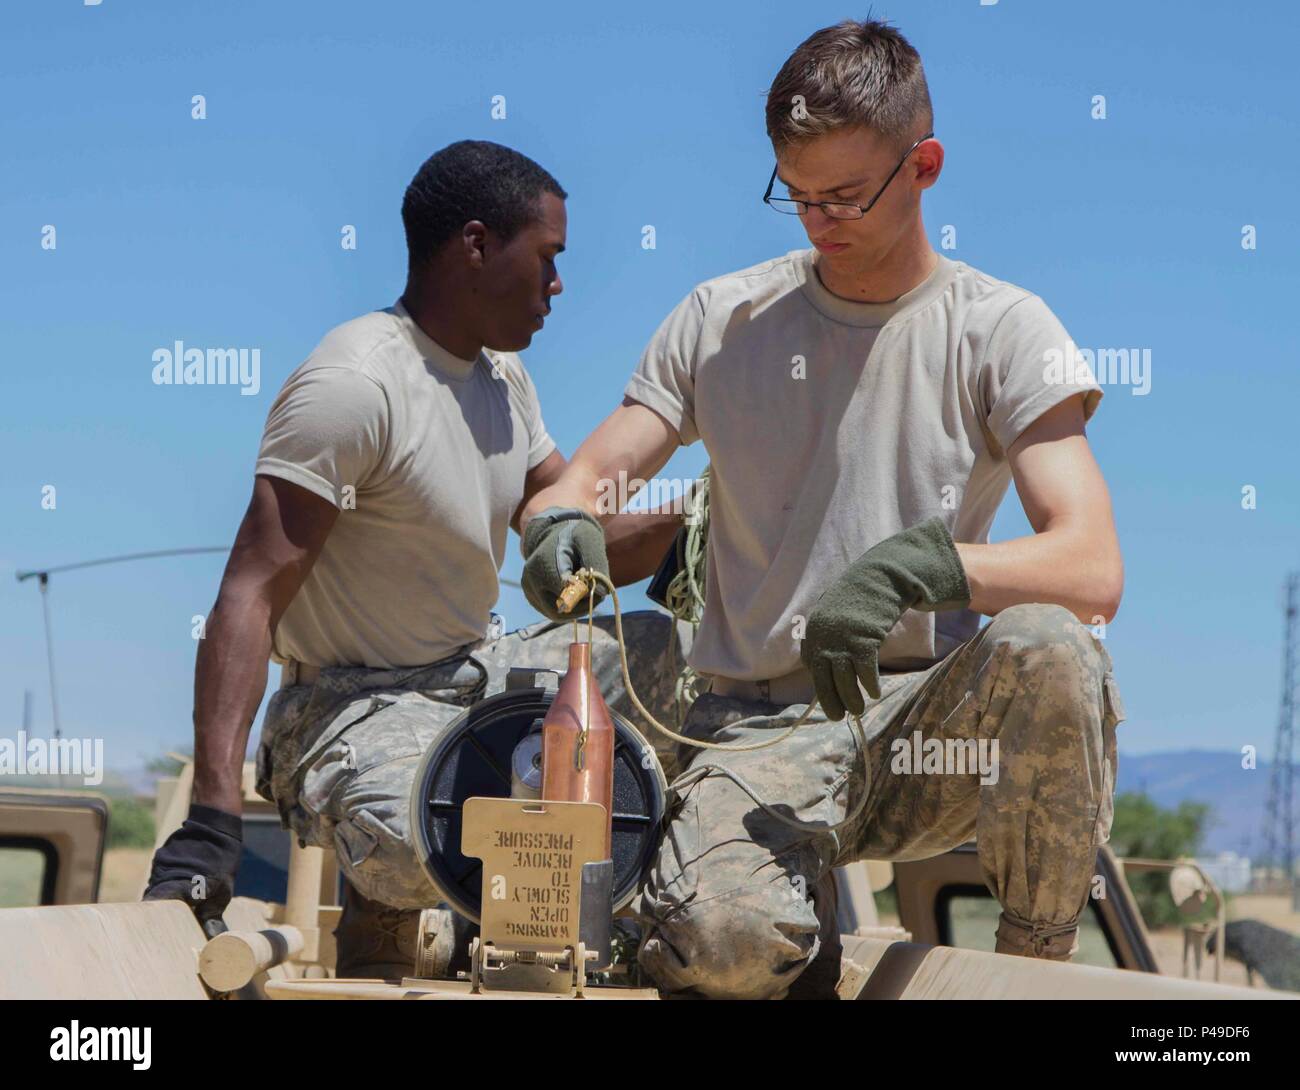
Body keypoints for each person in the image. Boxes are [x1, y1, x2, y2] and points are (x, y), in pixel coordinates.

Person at [519, 19, 1126, 999]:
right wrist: (561, 523)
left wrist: (920, 568)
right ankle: (755, 914)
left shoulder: (999, 328)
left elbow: (1091, 567)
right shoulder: (722, 321)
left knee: (1055, 648)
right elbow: (589, 477)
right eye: (795, 195)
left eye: (844, 195)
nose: (816, 220)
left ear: (922, 165)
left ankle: (1033, 983)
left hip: (918, 724)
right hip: (751, 731)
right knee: (723, 948)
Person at [142, 140, 684, 977]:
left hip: (475, 677)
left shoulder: (505, 382)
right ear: (475, 244)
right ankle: (470, 914)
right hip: (351, 703)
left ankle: (687, 905)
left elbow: (570, 538)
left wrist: (697, 524)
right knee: (419, 841)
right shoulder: (356, 385)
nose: (558, 286)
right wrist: (212, 819)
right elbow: (247, 594)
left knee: (668, 660)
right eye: (546, 259)